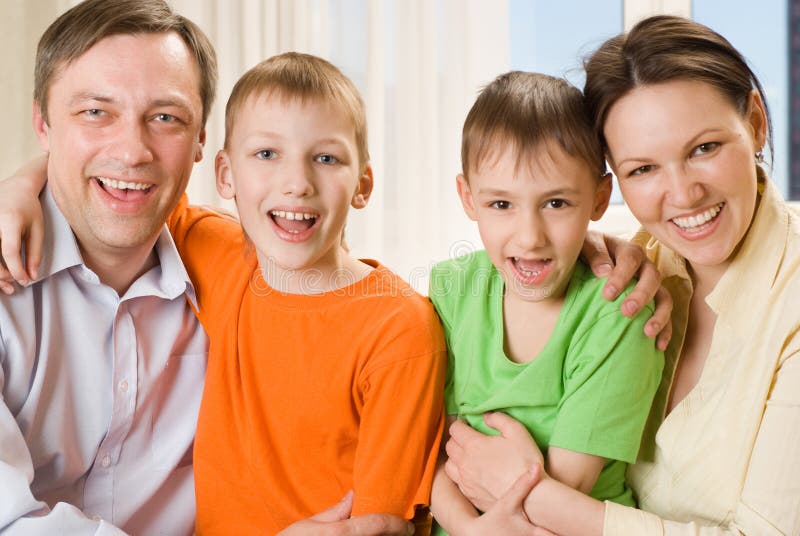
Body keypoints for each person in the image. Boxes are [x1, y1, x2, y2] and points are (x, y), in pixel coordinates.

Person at [0, 0, 419, 534]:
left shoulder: (240, 266)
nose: (131, 150)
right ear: (43, 123)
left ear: (201, 143)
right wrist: (20, 184)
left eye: (166, 118)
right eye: (94, 112)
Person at [441, 15, 800, 536]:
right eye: (643, 169)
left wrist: (526, 491)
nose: (682, 195)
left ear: (757, 122)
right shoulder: (628, 267)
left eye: (705, 148)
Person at [165, 52, 448, 534]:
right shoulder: (219, 255)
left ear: (362, 184)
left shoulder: (400, 328)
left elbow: (382, 524)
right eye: (267, 153)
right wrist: (21, 188)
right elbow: (127, 191)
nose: (297, 183)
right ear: (225, 174)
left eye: (326, 158)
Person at [427, 71, 663, 535]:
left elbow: (563, 494)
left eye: (556, 203)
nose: (530, 236)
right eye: (501, 205)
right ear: (468, 198)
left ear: (598, 198)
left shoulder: (618, 311)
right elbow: (428, 449)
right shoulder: (452, 289)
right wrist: (468, 528)